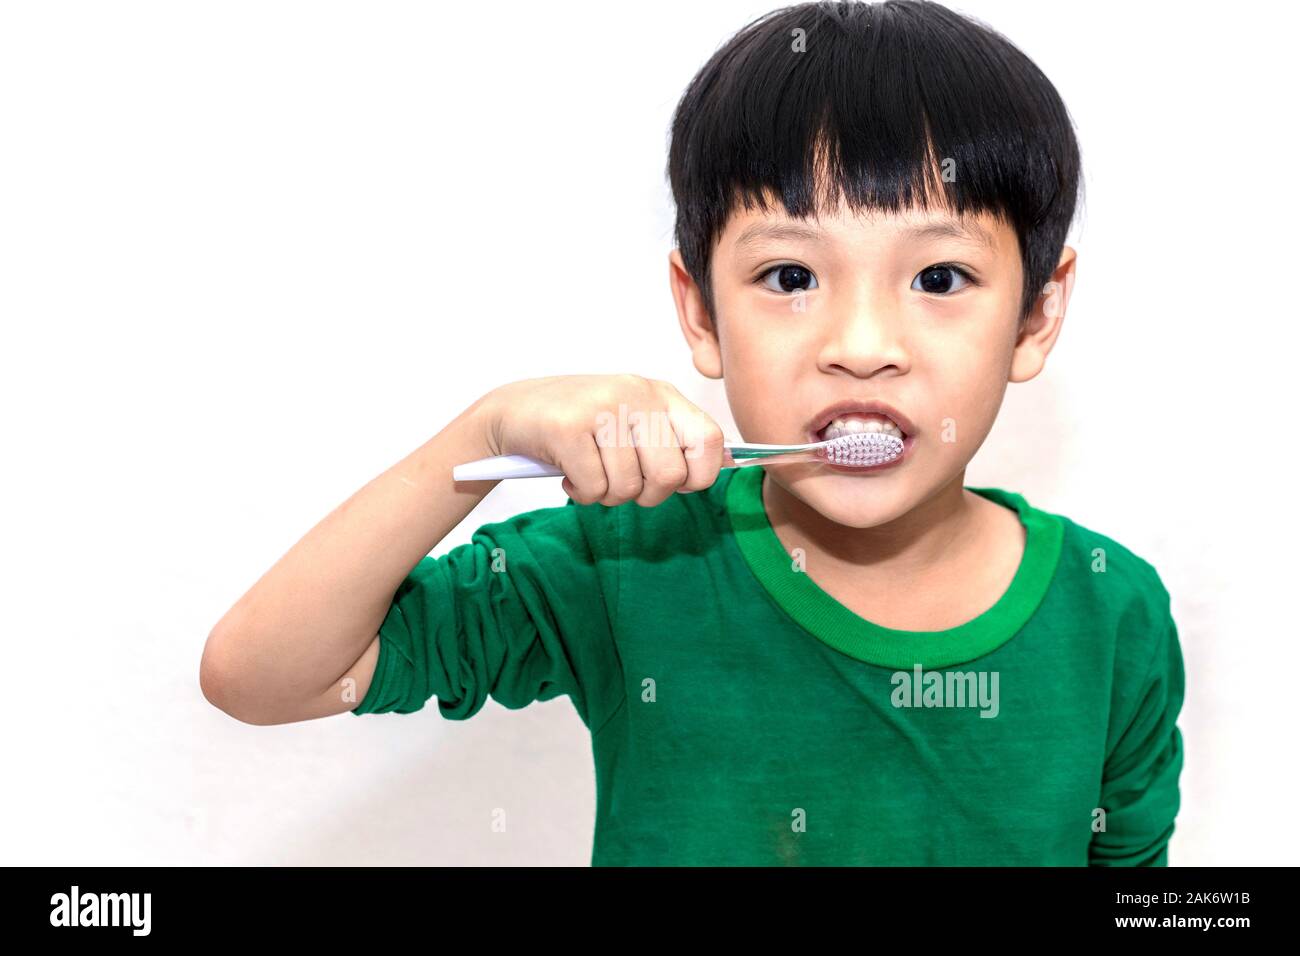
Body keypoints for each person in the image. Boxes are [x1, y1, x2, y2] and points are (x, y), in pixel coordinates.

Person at [201, 0, 1184, 866]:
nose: (862, 344)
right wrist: (485, 431)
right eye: (789, 277)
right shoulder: (632, 555)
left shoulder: (1113, 615)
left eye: (939, 279)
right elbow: (262, 676)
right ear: (700, 313)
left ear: (1036, 315)